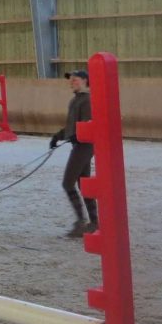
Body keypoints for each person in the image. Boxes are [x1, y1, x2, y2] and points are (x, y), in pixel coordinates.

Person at [50, 69, 97, 238]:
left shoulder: (87, 101)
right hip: (80, 146)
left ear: (85, 80)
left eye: (75, 79)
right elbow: (72, 126)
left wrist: (76, 136)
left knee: (68, 183)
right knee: (84, 185)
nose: (71, 82)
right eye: (71, 80)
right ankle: (93, 222)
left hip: (84, 146)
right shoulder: (75, 101)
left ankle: (81, 222)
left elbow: (86, 125)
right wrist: (58, 136)